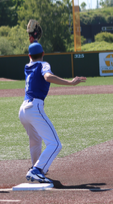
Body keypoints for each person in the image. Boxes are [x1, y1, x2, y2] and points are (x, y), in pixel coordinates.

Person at [19, 42, 87, 184]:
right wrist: (70, 82)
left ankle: (37, 168)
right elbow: (48, 77)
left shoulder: (27, 66)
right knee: (55, 144)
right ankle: (36, 170)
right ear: (43, 54)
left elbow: (33, 58)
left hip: (23, 110)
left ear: (29, 56)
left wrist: (33, 41)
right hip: (34, 107)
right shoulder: (44, 64)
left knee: (36, 141)